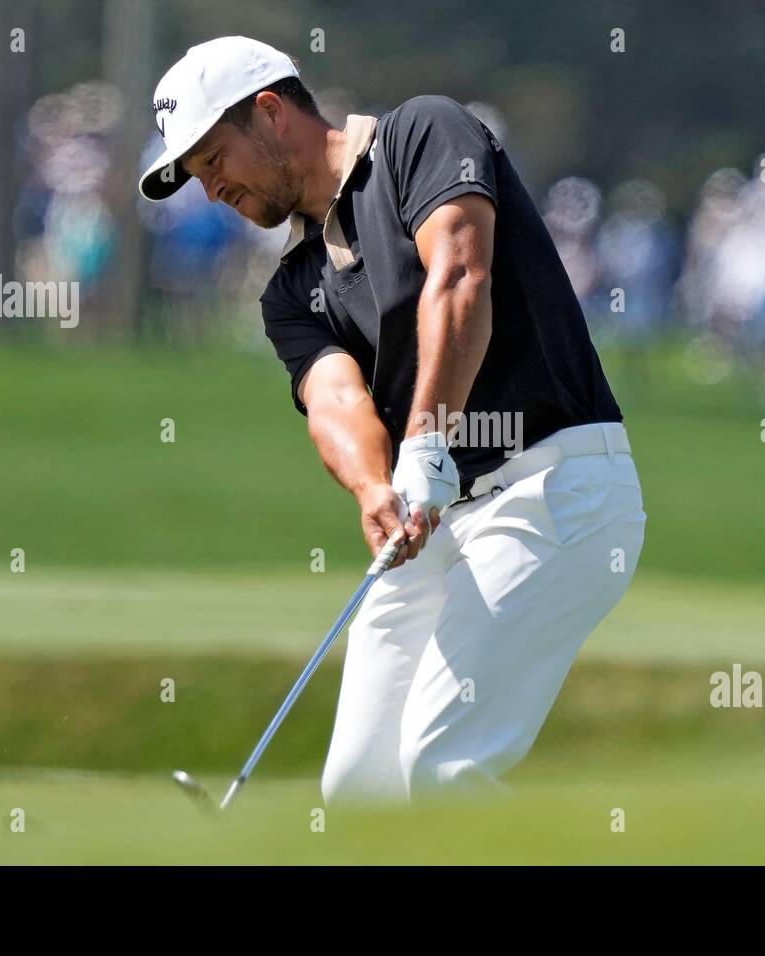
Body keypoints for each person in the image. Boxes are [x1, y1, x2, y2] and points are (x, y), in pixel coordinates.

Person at [138, 36, 646, 803]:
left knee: (443, 768)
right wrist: (376, 488)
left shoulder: (422, 135)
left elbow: (461, 277)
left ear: (271, 114)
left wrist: (425, 442)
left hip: (556, 487)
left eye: (214, 162)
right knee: (358, 791)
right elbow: (335, 400)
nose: (211, 191)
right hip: (434, 518)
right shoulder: (290, 290)